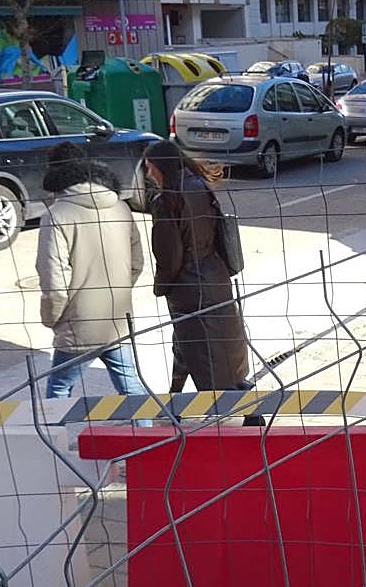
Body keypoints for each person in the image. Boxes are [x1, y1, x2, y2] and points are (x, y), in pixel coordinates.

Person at [143, 140, 262, 425]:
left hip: (188, 287)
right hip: (215, 277)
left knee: (205, 352)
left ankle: (244, 409)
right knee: (211, 345)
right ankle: (175, 401)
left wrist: (161, 285)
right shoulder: (198, 185)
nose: (147, 174)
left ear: (160, 167)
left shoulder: (168, 200)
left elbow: (169, 256)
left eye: (149, 167)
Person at [36, 141, 146, 399]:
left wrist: (53, 318)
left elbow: (54, 278)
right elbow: (137, 262)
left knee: (59, 389)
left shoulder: (56, 215)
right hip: (117, 317)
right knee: (132, 390)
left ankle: (56, 439)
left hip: (78, 320)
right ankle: (147, 434)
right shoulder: (121, 207)